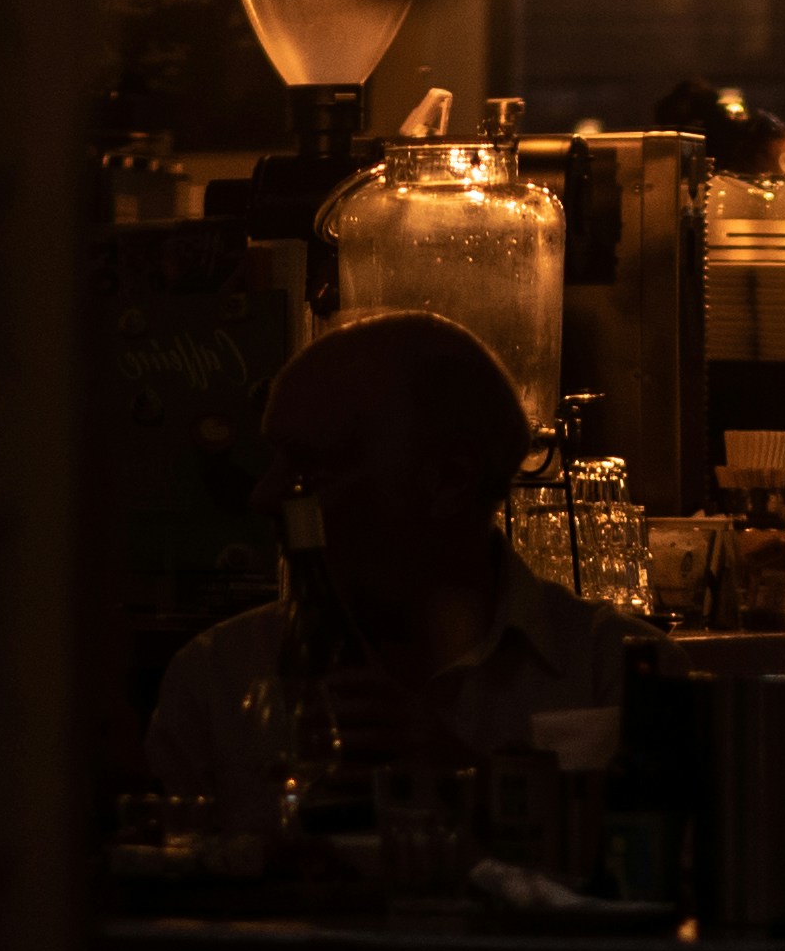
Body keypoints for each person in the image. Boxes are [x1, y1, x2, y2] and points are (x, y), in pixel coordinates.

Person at [141, 307, 627, 820]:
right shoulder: (218, 675)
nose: (262, 497)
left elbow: (646, 860)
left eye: (308, 468)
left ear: (449, 481)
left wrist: (463, 781)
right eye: (274, 462)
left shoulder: (614, 670)